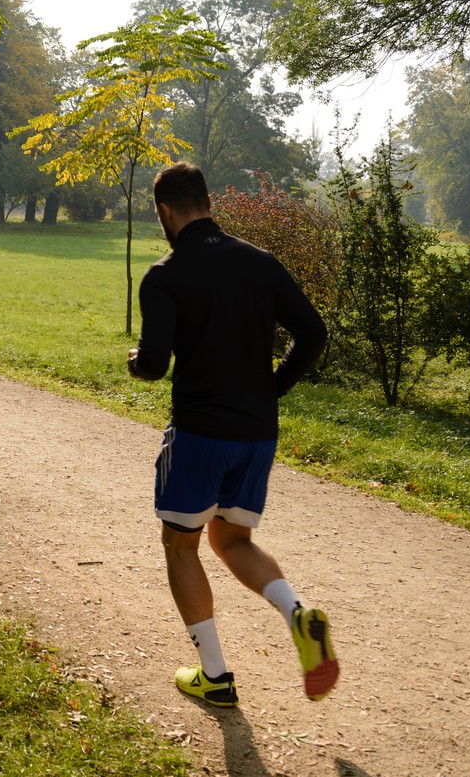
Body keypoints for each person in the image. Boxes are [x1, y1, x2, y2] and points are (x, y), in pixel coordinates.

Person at [127, 162, 338, 707]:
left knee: (180, 546)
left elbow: (153, 364)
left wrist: (135, 363)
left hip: (199, 433)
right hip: (257, 434)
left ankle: (216, 676)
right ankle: (299, 613)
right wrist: (272, 388)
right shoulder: (261, 263)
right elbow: (313, 332)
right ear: (208, 202)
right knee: (233, 539)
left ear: (165, 211)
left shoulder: (165, 274)